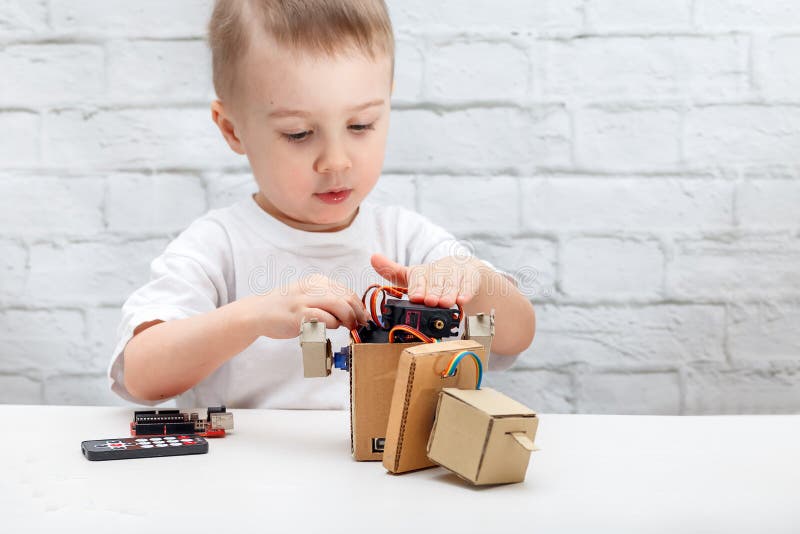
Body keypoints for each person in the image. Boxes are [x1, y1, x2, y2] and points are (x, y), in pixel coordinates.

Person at [108, 0, 536, 409]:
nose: (335, 161)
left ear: (387, 100)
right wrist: (253, 316)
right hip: (248, 478)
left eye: (360, 124)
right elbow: (141, 375)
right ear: (232, 129)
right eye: (298, 133)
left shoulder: (407, 240)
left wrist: (474, 282)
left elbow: (517, 335)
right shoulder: (216, 246)